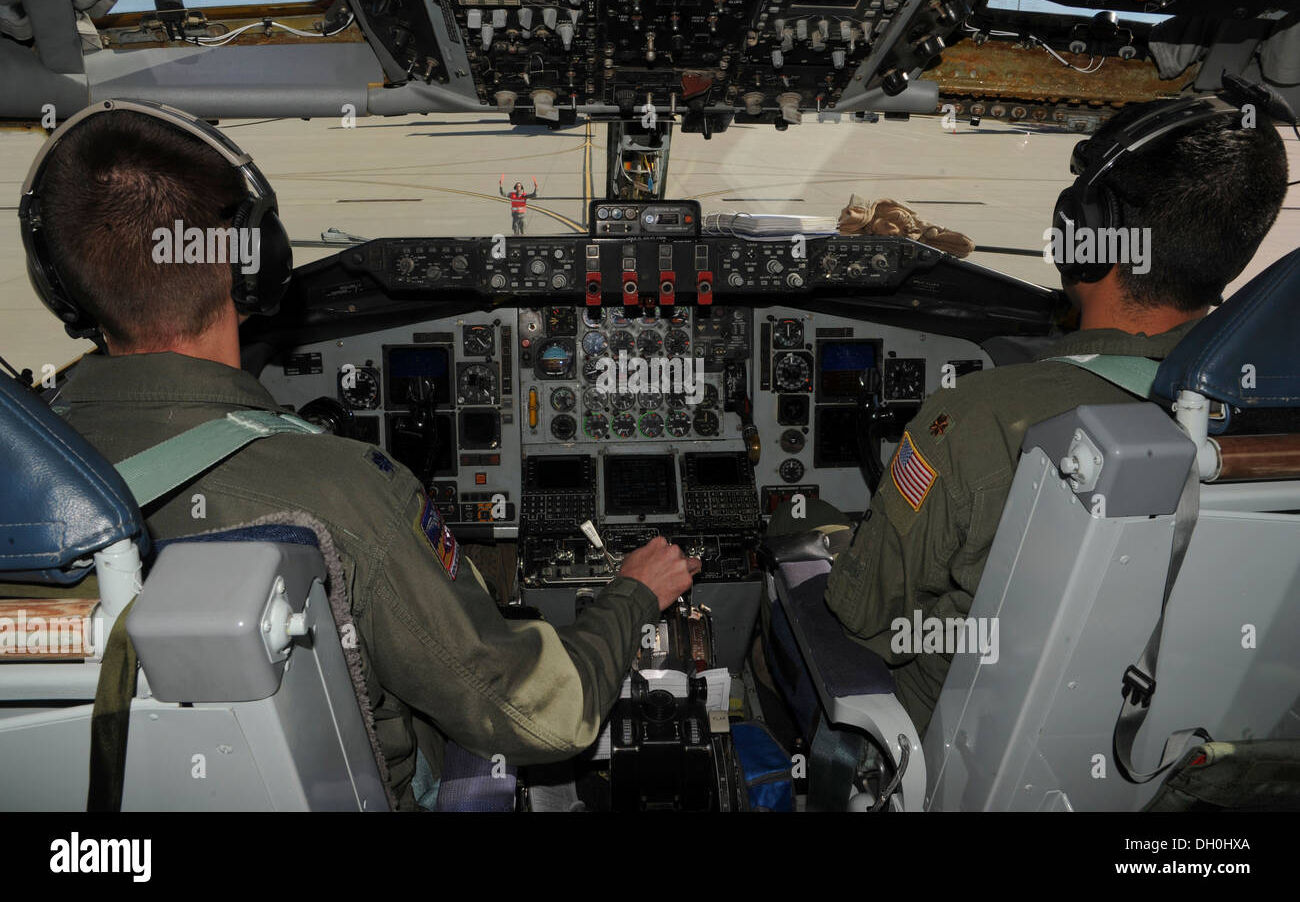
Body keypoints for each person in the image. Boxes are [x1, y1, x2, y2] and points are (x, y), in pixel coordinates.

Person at [27, 104, 700, 809]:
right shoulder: (339, 492)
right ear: (256, 261)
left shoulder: (20, 478)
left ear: (61, 284)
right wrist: (631, 596)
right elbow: (544, 717)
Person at [772, 99, 1290, 739]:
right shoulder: (1275, 428)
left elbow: (864, 615)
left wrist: (833, 538)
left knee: (793, 555)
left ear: (1086, 232)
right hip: (1178, 754)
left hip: (950, 747)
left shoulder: (981, 417)